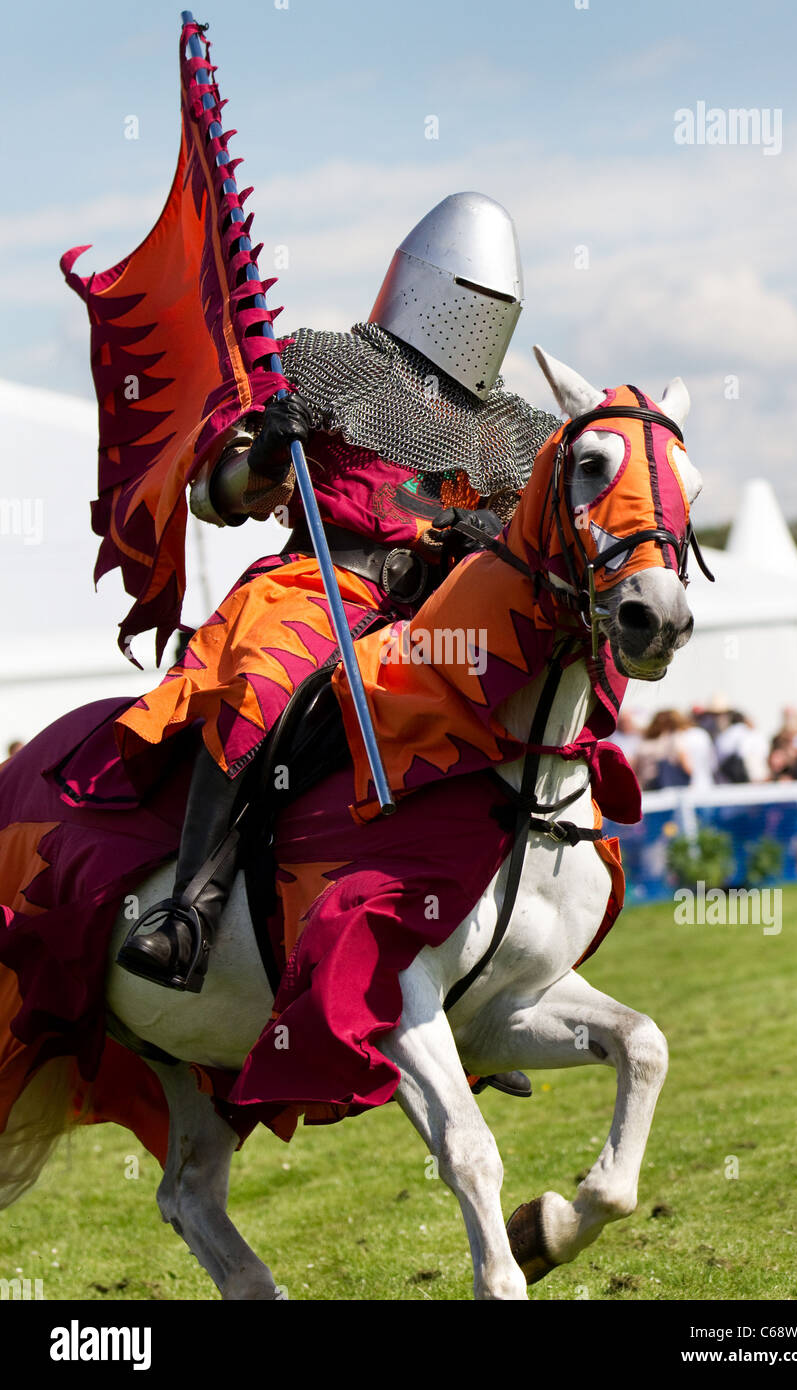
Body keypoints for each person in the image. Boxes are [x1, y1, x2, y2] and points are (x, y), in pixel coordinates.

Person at [116, 192, 559, 1008]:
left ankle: (484, 976)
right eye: (469, 297)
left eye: (495, 307)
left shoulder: (513, 426)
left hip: (447, 606)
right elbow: (217, 495)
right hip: (330, 584)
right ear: (421, 284)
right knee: (260, 692)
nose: (477, 318)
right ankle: (191, 908)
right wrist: (267, 453)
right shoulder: (327, 365)